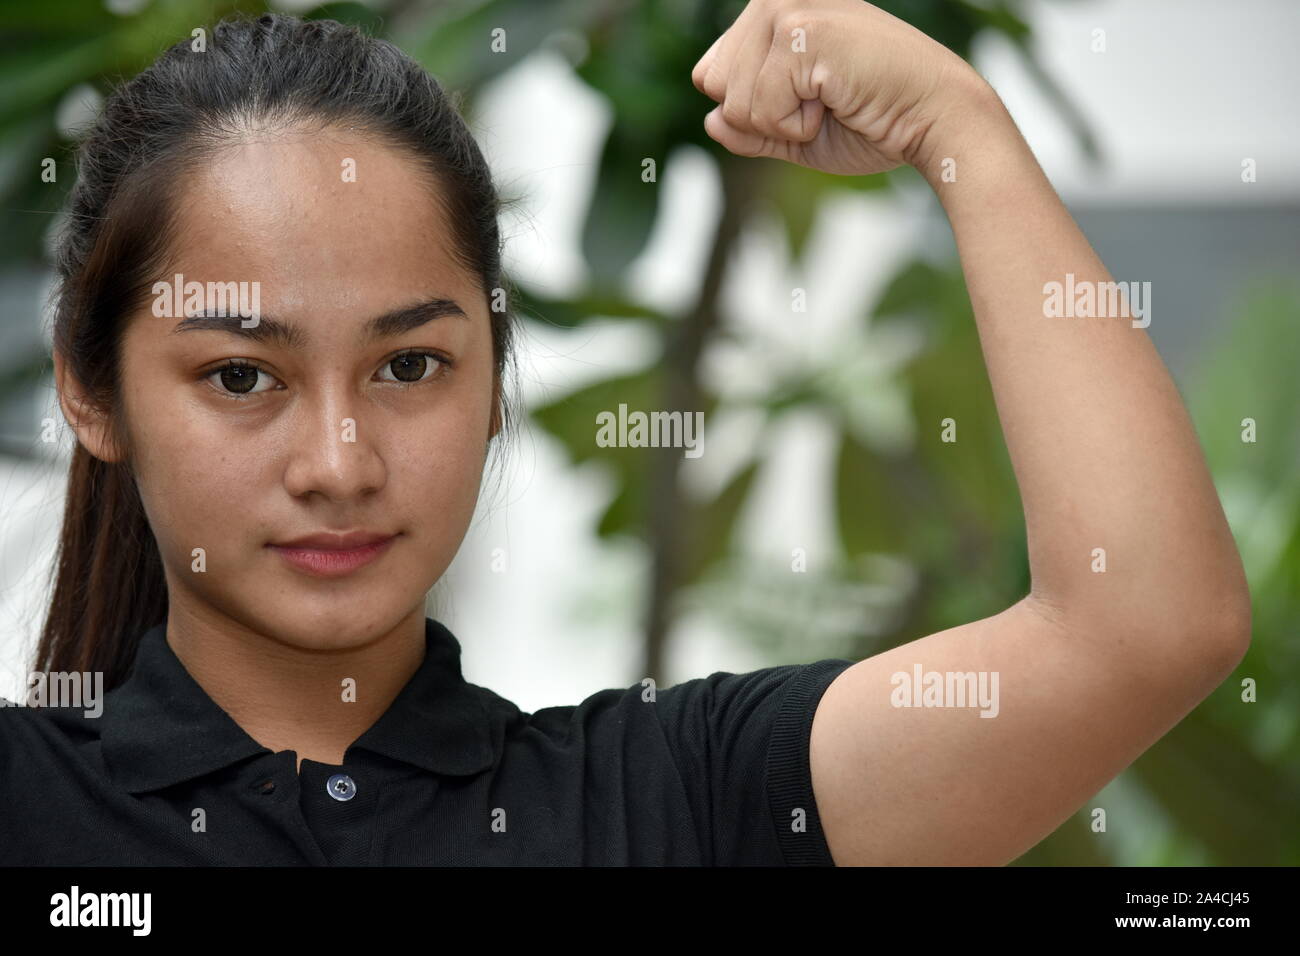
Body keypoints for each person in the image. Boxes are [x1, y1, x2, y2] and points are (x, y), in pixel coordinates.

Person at [0, 0, 1249, 866]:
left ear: (496, 386)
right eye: (239, 377)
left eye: (411, 364)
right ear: (93, 393)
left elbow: (1141, 623)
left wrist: (958, 130)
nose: (340, 462)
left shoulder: (676, 802)